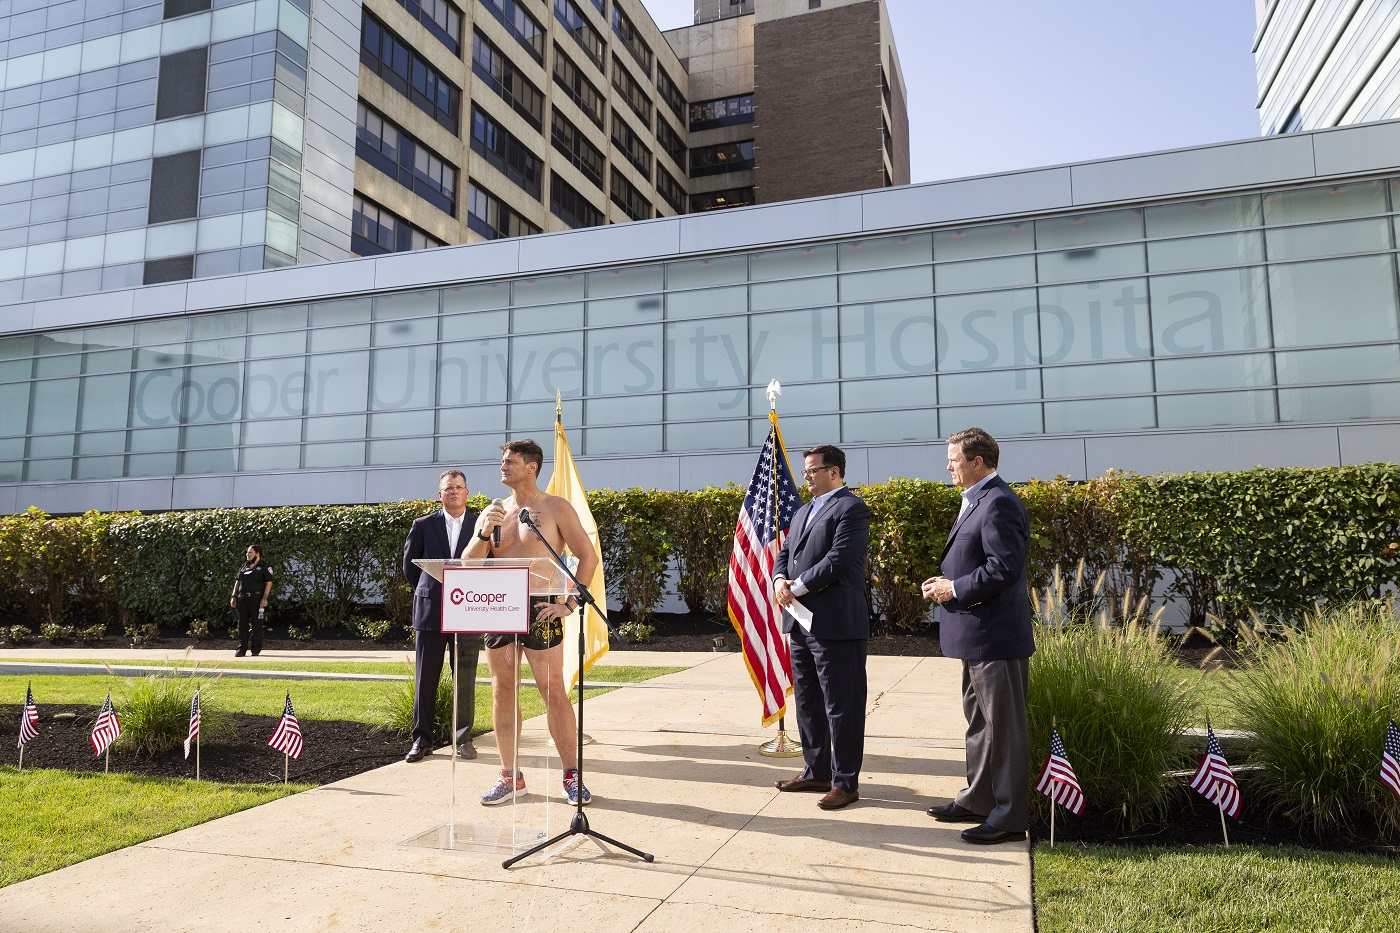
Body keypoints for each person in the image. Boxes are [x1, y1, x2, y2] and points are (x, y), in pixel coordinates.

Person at [465, 439, 597, 807]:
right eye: (501, 461)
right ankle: (510, 776)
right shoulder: (492, 512)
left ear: (531, 467)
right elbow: (468, 564)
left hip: (542, 605)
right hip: (498, 604)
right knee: (501, 689)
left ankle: (571, 775)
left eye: (510, 462)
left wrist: (570, 604)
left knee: (552, 688)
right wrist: (481, 534)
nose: (502, 467)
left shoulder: (555, 507)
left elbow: (587, 557)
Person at [922, 427, 1034, 845]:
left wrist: (955, 588)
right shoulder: (978, 501)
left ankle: (1008, 819)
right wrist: (946, 581)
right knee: (980, 725)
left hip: (995, 639)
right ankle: (978, 799)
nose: (948, 465)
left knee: (1003, 730)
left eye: (953, 459)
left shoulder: (999, 502)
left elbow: (1004, 568)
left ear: (978, 463)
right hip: (976, 637)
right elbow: (978, 561)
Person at [771, 444, 872, 811]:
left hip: (836, 624)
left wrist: (795, 587)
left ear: (834, 472)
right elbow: (785, 553)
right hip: (799, 623)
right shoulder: (802, 513)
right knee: (808, 702)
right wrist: (780, 578)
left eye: (813, 470)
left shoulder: (852, 509)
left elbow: (839, 559)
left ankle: (845, 782)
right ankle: (816, 771)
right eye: (806, 471)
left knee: (841, 705)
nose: (807, 477)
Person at [402, 469, 481, 763]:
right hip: (430, 613)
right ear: (440, 494)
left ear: (467, 493)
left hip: (468, 613)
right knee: (426, 679)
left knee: (465, 679)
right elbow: (411, 568)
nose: (454, 492)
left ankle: (463, 739)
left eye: (459, 487)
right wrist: (430, 592)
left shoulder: (479, 525)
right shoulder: (422, 525)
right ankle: (422, 741)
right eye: (449, 488)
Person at [229, 544, 273, 657]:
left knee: (256, 624)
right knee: (242, 624)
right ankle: (241, 648)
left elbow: (268, 583)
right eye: (247, 552)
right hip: (243, 599)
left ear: (257, 554)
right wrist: (234, 596)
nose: (247, 555)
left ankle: (255, 648)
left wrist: (264, 598)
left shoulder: (264, 567)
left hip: (256, 599)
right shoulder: (244, 566)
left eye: (250, 552)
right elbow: (237, 582)